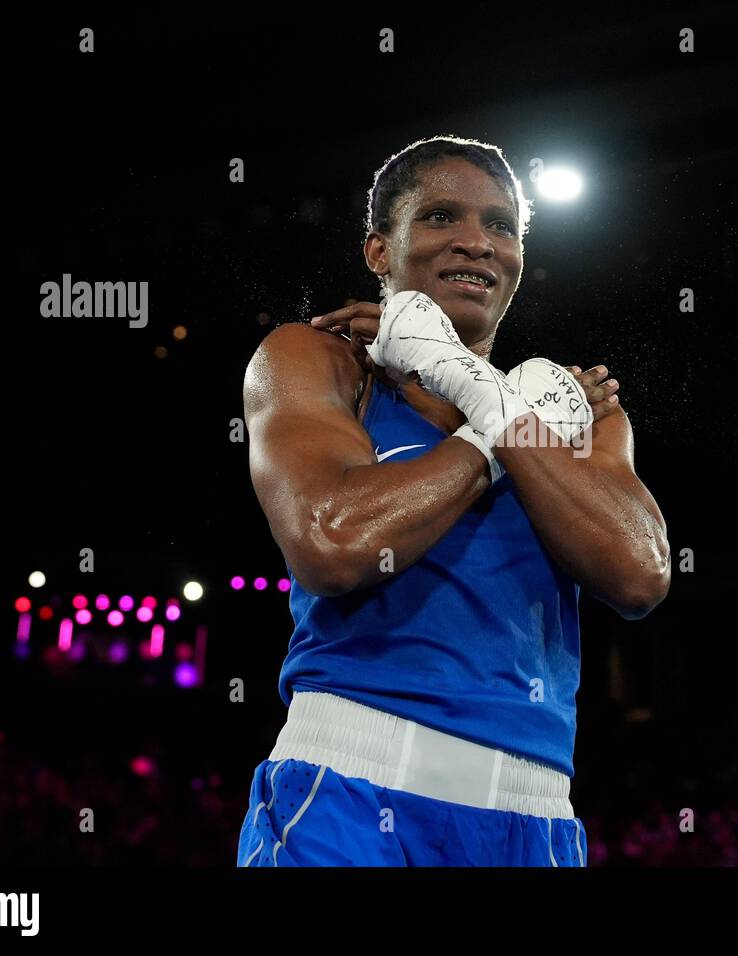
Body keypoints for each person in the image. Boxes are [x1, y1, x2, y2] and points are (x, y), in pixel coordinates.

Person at [237, 135, 670, 866]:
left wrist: (486, 394)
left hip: (534, 819)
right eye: (441, 217)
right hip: (347, 790)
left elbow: (639, 575)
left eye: (501, 226)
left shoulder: (578, 410)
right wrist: (497, 420)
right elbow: (333, 544)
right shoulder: (322, 360)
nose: (476, 242)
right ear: (379, 250)